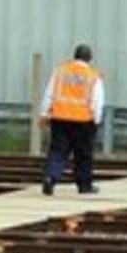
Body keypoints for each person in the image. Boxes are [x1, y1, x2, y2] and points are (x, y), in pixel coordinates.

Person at [39, 44, 105, 195]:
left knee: (57, 150)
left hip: (60, 118)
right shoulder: (93, 76)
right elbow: (97, 101)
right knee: (83, 154)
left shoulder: (60, 71)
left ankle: (50, 177)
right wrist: (96, 120)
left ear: (74, 56)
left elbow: (49, 93)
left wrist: (44, 113)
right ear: (89, 58)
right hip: (83, 121)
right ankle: (84, 185)